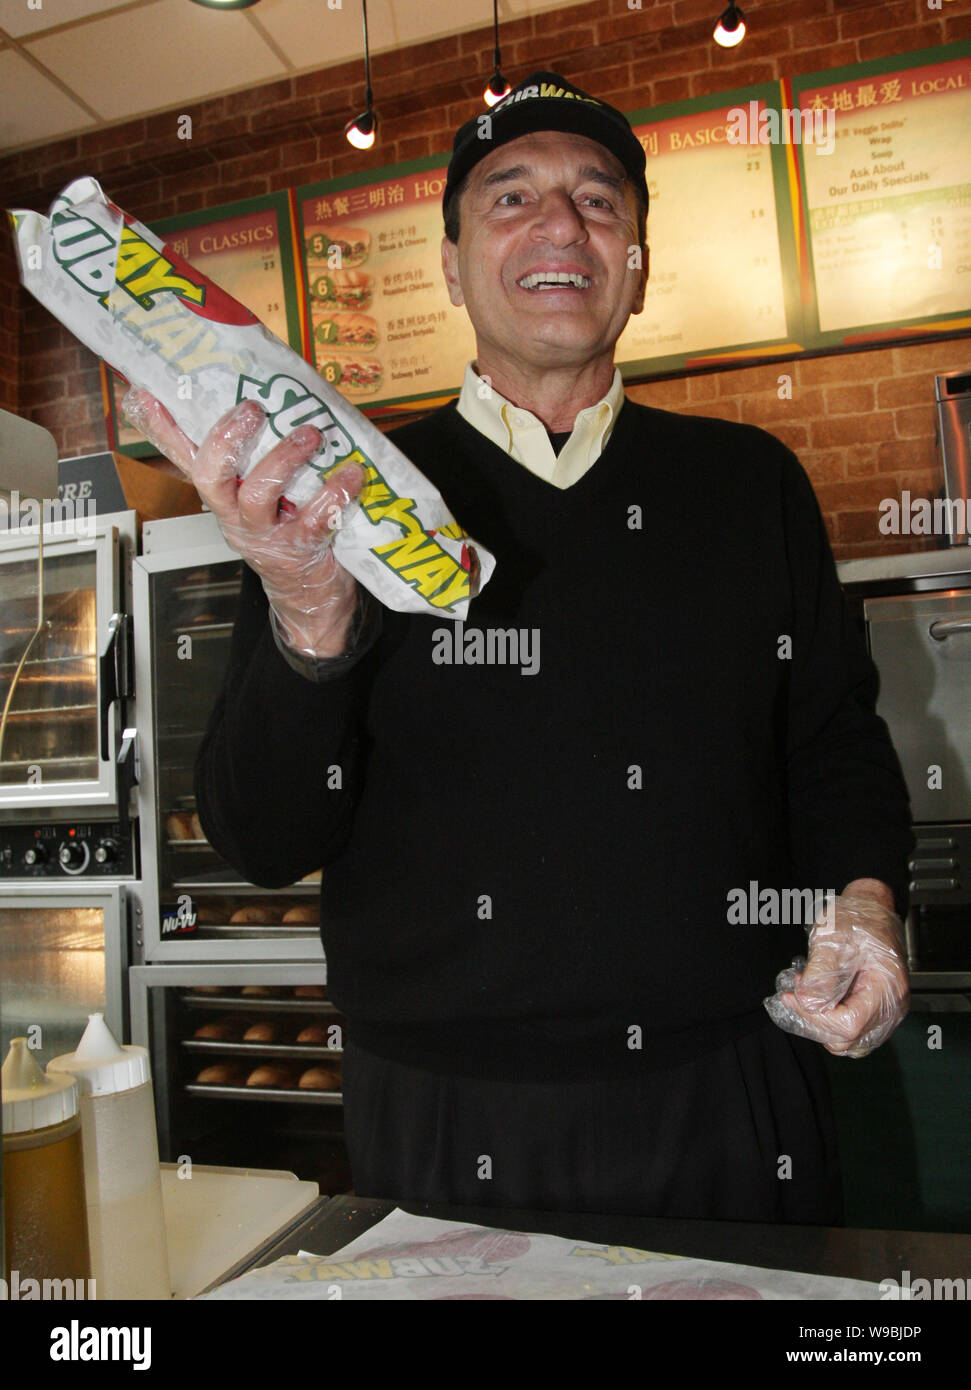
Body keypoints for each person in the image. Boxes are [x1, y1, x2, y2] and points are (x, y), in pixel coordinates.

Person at [129, 71, 913, 1223]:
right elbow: (263, 835)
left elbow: (833, 745)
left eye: (598, 201)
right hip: (445, 1121)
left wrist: (865, 904)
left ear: (636, 264)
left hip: (732, 1096)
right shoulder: (345, 493)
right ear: (449, 265)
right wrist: (307, 613)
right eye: (510, 198)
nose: (560, 224)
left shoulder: (750, 487)